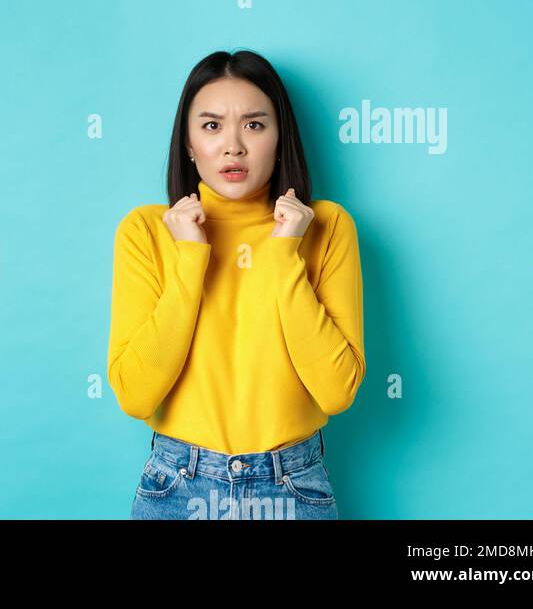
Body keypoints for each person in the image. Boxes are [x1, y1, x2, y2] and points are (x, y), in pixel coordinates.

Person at [107, 50, 365, 520]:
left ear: (279, 137)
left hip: (292, 484)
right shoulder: (146, 230)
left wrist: (285, 252)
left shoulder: (327, 226)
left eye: (253, 124)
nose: (233, 146)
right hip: (177, 484)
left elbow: (336, 392)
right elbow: (135, 394)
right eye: (210, 126)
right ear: (187, 143)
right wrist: (190, 257)